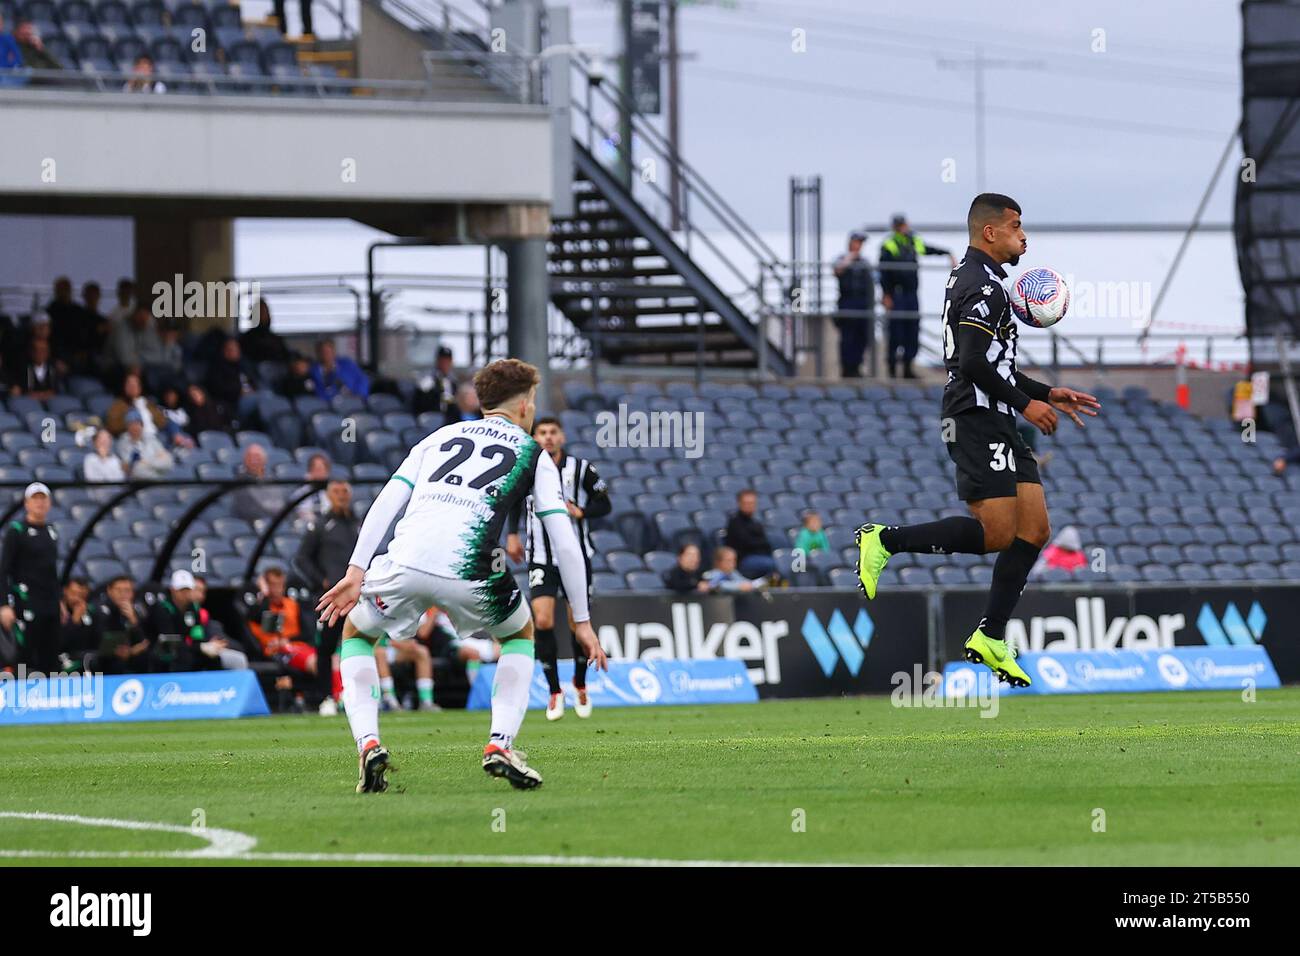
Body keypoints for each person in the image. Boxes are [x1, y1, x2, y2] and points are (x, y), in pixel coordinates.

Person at [314, 358, 606, 793]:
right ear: (526, 404)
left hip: (405, 560)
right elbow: (564, 540)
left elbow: (386, 502)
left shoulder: (439, 437)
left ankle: (369, 742)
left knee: (356, 634)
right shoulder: (535, 455)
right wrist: (580, 622)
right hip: (473, 570)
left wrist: (356, 570)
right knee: (519, 636)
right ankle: (500, 744)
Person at [856, 194, 1101, 687]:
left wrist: (1047, 392)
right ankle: (883, 539)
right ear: (990, 232)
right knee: (995, 534)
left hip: (997, 415)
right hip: (975, 416)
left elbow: (997, 364)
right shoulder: (981, 286)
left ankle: (990, 635)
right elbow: (970, 363)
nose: (1023, 236)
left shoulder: (984, 281)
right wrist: (1028, 404)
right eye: (1015, 227)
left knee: (1034, 530)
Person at [505, 415, 610, 721]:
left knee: (578, 624)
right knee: (543, 619)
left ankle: (579, 682)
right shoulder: (526, 470)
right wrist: (512, 534)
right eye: (542, 433)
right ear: (534, 438)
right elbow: (512, 501)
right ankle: (554, 690)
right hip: (540, 557)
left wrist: (583, 511)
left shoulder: (581, 469)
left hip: (576, 557)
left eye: (553, 432)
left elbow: (605, 503)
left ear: (561, 437)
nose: (548, 437)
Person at [293, 478, 359, 714]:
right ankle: (326, 697)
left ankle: (357, 696)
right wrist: (320, 580)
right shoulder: (321, 525)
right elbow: (301, 558)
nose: (341, 495)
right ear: (329, 496)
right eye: (336, 491)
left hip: (356, 598)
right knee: (326, 648)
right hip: (330, 597)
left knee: (359, 645)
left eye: (345, 491)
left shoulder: (358, 525)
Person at [878, 213, 955, 379]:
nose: (903, 228)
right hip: (896, 294)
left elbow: (927, 249)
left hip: (911, 294)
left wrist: (947, 253)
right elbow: (883, 272)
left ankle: (907, 368)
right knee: (895, 333)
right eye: (900, 226)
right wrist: (886, 295)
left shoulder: (913, 240)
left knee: (912, 330)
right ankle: (892, 370)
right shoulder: (888, 245)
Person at [0, 483, 60, 674]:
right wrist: (4, 604)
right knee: (24, 653)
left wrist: (59, 600)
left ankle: (49, 698)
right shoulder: (16, 531)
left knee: (50, 652)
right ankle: (22, 698)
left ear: (49, 503)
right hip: (26, 601)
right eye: (35, 499)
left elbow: (52, 571)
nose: (40, 503)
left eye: (43, 499)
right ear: (27, 503)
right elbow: (4, 570)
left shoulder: (51, 530)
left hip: (49, 601)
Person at [148, 569, 247, 671]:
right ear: (172, 590)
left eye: (188, 590)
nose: (185, 594)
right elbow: (169, 643)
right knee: (184, 658)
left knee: (214, 658)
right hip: (163, 653)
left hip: (187, 649)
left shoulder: (193, 608)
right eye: (181, 590)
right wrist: (201, 647)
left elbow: (197, 636)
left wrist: (208, 646)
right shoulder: (163, 609)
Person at [246, 567, 313, 712]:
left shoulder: (292, 605)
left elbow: (307, 633)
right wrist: (263, 592)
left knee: (330, 659)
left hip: (297, 646)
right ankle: (333, 697)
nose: (277, 590)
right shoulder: (260, 607)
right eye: (273, 585)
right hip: (277, 652)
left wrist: (287, 640)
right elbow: (253, 616)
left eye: (280, 585)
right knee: (315, 662)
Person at [833, 230, 876, 378]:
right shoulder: (842, 258)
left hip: (863, 304)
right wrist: (851, 257)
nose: (860, 246)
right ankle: (847, 368)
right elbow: (837, 270)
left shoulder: (864, 262)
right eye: (858, 242)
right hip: (847, 302)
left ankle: (856, 367)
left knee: (861, 337)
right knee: (848, 338)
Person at [92, 576, 152, 675]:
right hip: (103, 657)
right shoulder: (100, 609)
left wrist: (133, 620)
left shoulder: (138, 610)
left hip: (130, 655)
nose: (123, 594)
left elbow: (144, 641)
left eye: (127, 591)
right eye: (118, 590)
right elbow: (102, 640)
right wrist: (130, 651)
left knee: (146, 657)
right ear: (109, 591)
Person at [374, 635, 438, 712]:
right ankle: (389, 700)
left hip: (391, 648)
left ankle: (426, 702)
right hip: (371, 649)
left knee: (422, 651)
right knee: (380, 653)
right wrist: (394, 643)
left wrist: (408, 643)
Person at [206, 336, 259, 427]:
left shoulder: (244, 365)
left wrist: (253, 389)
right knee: (261, 400)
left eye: (237, 349)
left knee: (267, 396)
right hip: (234, 401)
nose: (236, 352)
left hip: (250, 396)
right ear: (225, 351)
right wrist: (239, 391)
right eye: (233, 349)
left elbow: (253, 381)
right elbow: (218, 388)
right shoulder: (217, 367)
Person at [723, 489, 775, 579]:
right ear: (739, 503)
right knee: (771, 564)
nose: (750, 505)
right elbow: (746, 543)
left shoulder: (756, 523)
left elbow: (765, 544)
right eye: (746, 503)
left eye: (752, 503)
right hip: (743, 560)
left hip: (759, 556)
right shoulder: (735, 522)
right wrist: (760, 543)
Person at [232, 444, 286, 522]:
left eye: (257, 457)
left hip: (276, 520)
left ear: (265, 460)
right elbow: (248, 510)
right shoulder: (241, 481)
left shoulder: (272, 479)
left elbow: (281, 502)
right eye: (249, 457)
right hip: (256, 522)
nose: (253, 460)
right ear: (245, 461)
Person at [116, 409, 175, 479]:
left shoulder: (151, 439)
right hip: (138, 482)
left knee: (169, 460)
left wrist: (147, 463)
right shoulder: (123, 442)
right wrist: (156, 461)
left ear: (142, 425)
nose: (135, 427)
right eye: (131, 424)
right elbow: (132, 468)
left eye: (137, 423)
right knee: (138, 469)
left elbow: (167, 461)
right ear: (127, 427)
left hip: (154, 478)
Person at [58, 577, 95, 674]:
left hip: (85, 655)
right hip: (62, 657)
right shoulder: (57, 611)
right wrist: (74, 620)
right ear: (65, 591)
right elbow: (60, 643)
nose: (77, 599)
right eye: (73, 594)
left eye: (82, 595)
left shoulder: (91, 611)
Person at [412, 345, 459, 418]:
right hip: (430, 416)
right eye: (442, 360)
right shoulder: (428, 378)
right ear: (437, 361)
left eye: (447, 360)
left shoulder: (453, 380)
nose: (445, 363)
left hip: (449, 418)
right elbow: (420, 399)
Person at [293, 452, 332, 526]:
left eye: (324, 470)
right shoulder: (300, 493)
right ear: (310, 471)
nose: (321, 473)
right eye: (317, 469)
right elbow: (297, 512)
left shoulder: (331, 493)